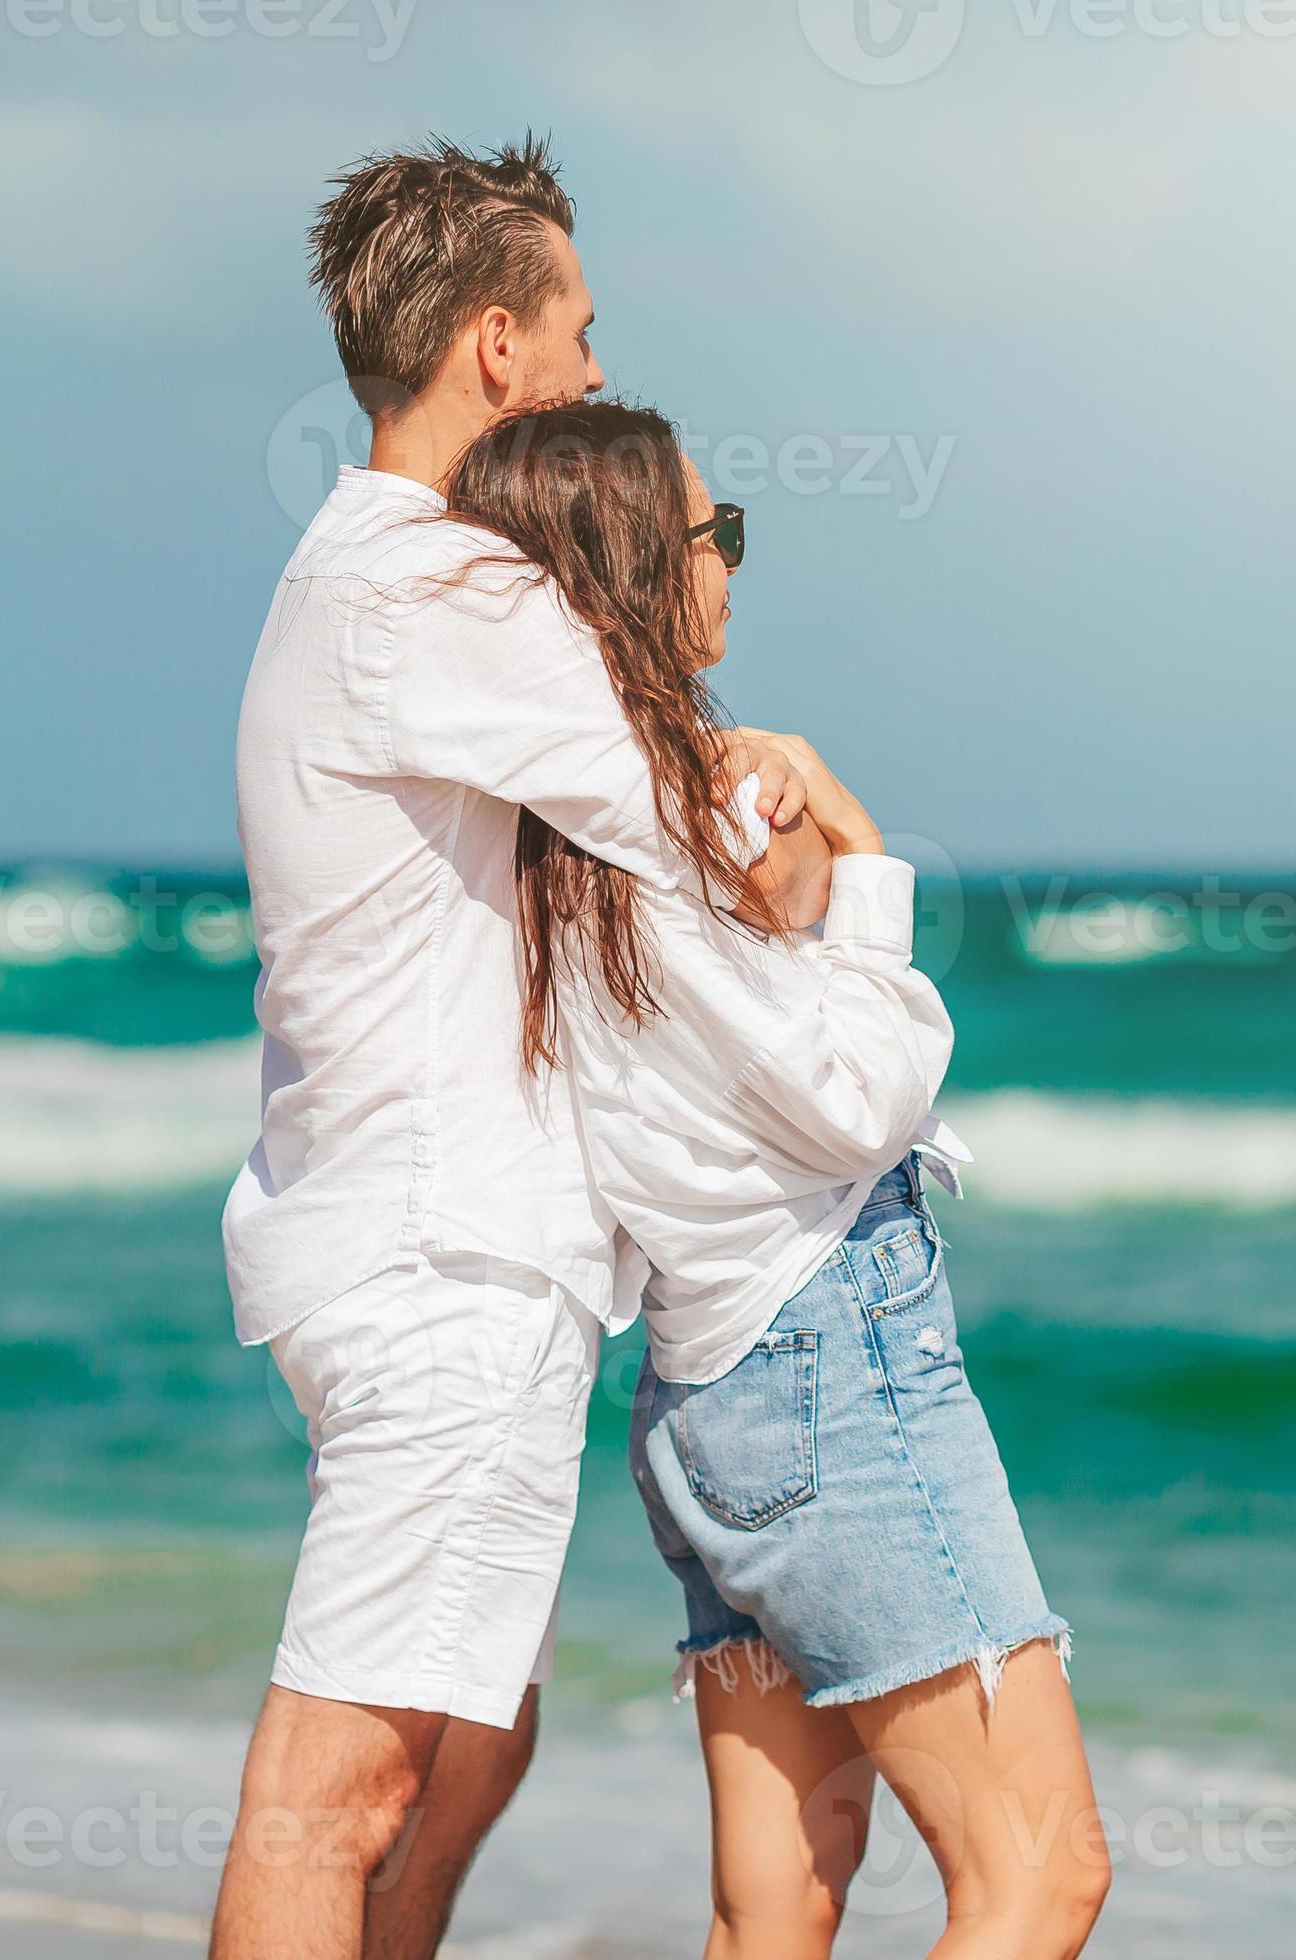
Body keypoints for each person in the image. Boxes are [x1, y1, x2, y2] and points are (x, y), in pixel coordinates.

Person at [212, 139, 812, 1959]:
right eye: (579, 338)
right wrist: (806, 821)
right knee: (351, 1779)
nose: (595, 383)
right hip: (439, 1259)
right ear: (495, 347)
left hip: (414, 1241)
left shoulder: (374, 583)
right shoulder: (441, 596)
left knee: (472, 1739)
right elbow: (704, 840)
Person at [446, 398, 1114, 1960]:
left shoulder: (544, 840)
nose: (734, 566)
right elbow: (857, 1101)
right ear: (630, 572)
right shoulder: (658, 841)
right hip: (831, 1369)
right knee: (1037, 1876)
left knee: (776, 1906)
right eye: (711, 535)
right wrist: (867, 867)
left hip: (706, 1396)